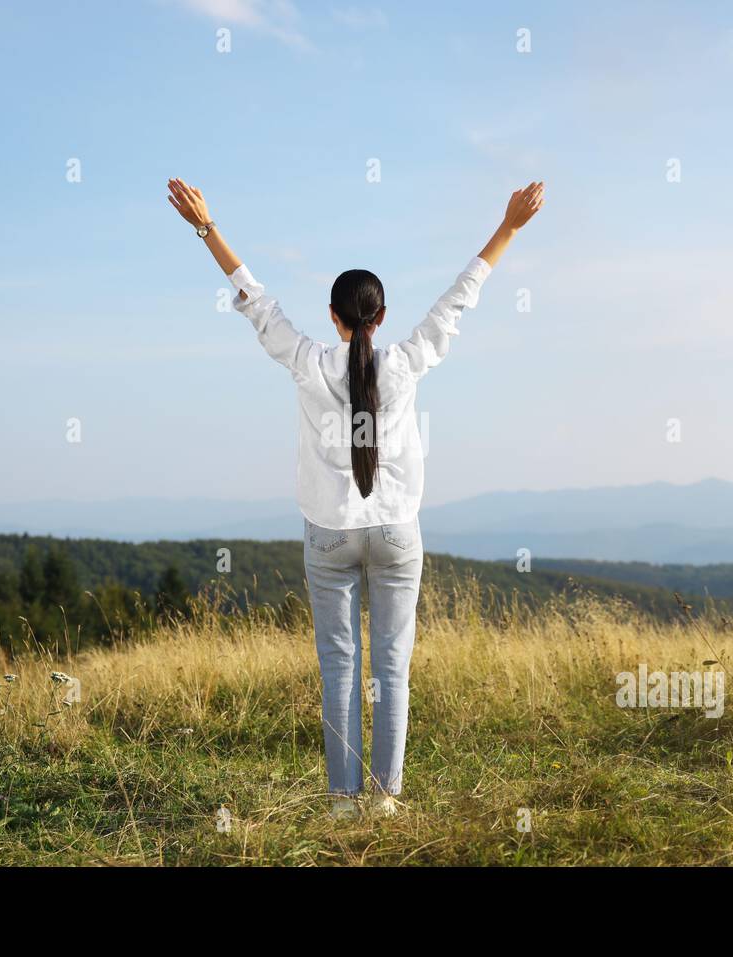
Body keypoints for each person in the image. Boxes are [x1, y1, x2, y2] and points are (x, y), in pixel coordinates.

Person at [167, 177, 544, 818]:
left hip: (329, 535)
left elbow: (255, 298)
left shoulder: (308, 360)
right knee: (391, 668)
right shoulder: (403, 361)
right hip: (398, 532)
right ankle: (386, 801)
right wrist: (508, 226)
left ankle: (343, 801)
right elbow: (460, 299)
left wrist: (206, 228)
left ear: (335, 319)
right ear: (382, 318)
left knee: (339, 668)